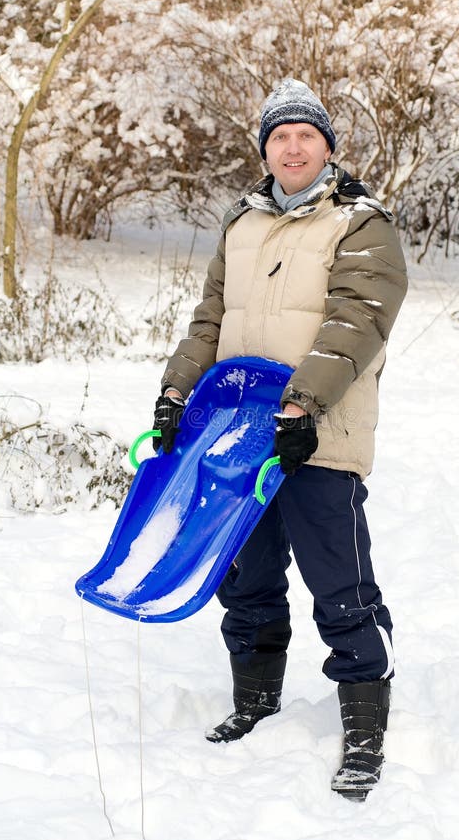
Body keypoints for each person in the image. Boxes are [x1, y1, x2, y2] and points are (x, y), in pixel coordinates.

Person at [152, 78, 408, 800]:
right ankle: (255, 703)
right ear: (265, 148)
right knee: (247, 577)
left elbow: (356, 321)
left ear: (327, 146)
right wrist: (177, 390)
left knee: (342, 584)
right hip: (239, 436)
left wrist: (301, 406)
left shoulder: (361, 222)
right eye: (279, 136)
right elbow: (211, 319)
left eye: (306, 136)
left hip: (320, 435)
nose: (292, 147)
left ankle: (364, 733)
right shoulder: (242, 222)